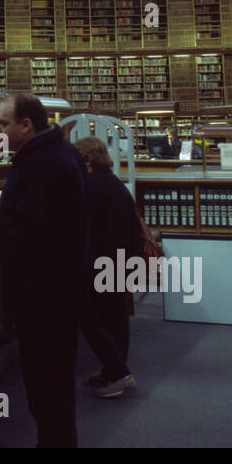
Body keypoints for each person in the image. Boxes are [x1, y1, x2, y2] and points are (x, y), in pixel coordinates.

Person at [0, 93, 88, 447]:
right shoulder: (59, 154)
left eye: (2, 123)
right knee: (54, 388)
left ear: (26, 125)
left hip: (45, 297)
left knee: (47, 387)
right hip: (55, 293)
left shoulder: (42, 164)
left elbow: (35, 231)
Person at [73, 137, 142, 398]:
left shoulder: (92, 188)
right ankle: (113, 371)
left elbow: (84, 230)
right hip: (122, 260)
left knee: (90, 318)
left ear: (87, 163)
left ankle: (118, 373)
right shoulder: (112, 183)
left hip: (104, 262)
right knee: (115, 318)